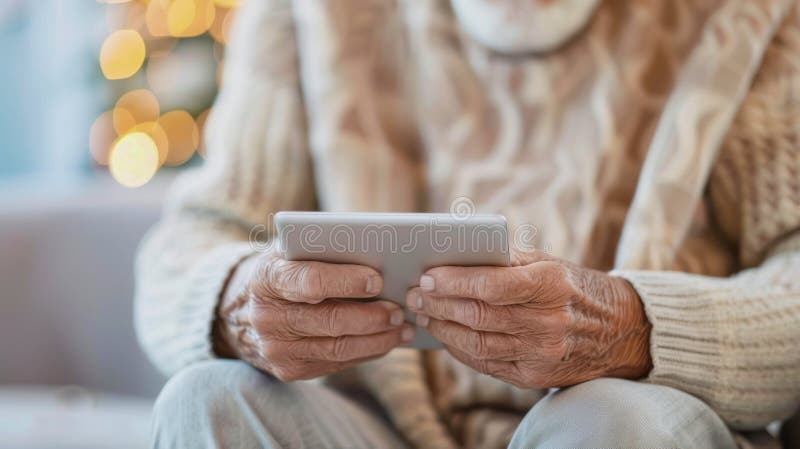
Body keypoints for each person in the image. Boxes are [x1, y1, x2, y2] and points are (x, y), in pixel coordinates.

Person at [135, 1, 800, 448]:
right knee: (208, 400)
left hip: (629, 418)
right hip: (377, 425)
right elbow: (192, 237)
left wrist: (634, 328)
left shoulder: (746, 16)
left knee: (614, 421)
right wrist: (238, 302)